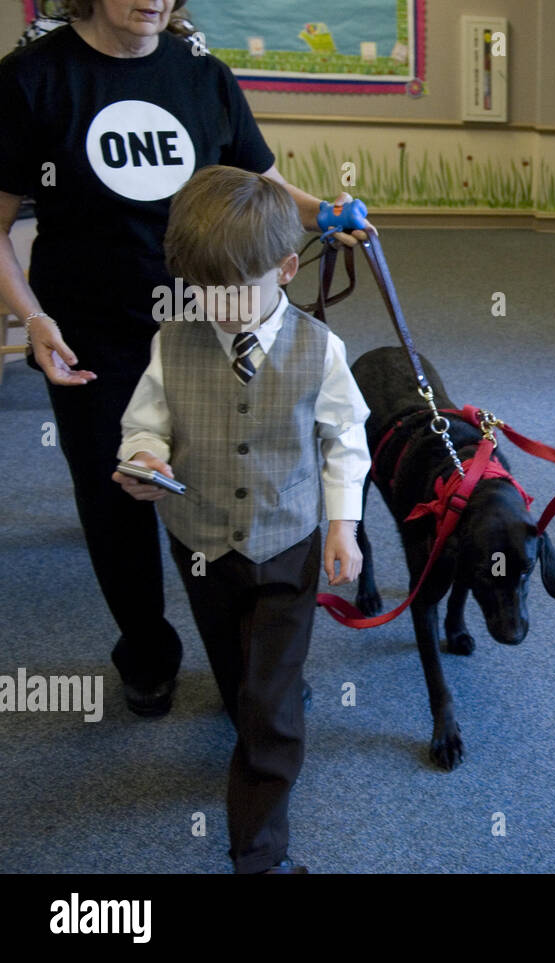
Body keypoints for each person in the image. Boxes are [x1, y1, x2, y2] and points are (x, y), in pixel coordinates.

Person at [0, 0, 371, 718]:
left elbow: (260, 184)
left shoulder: (202, 74)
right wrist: (34, 317)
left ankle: (253, 666)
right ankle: (146, 648)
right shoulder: (31, 80)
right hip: (91, 330)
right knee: (121, 492)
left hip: (212, 322)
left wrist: (324, 211)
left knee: (237, 479)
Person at [112, 165, 370, 874]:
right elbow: (146, 422)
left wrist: (343, 524)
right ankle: (248, 701)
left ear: (287, 268)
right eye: (202, 289)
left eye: (235, 286)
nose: (218, 304)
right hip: (197, 540)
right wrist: (142, 455)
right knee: (232, 663)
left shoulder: (321, 349)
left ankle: (258, 853)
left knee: (271, 703)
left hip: (287, 540)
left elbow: (346, 438)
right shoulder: (174, 342)